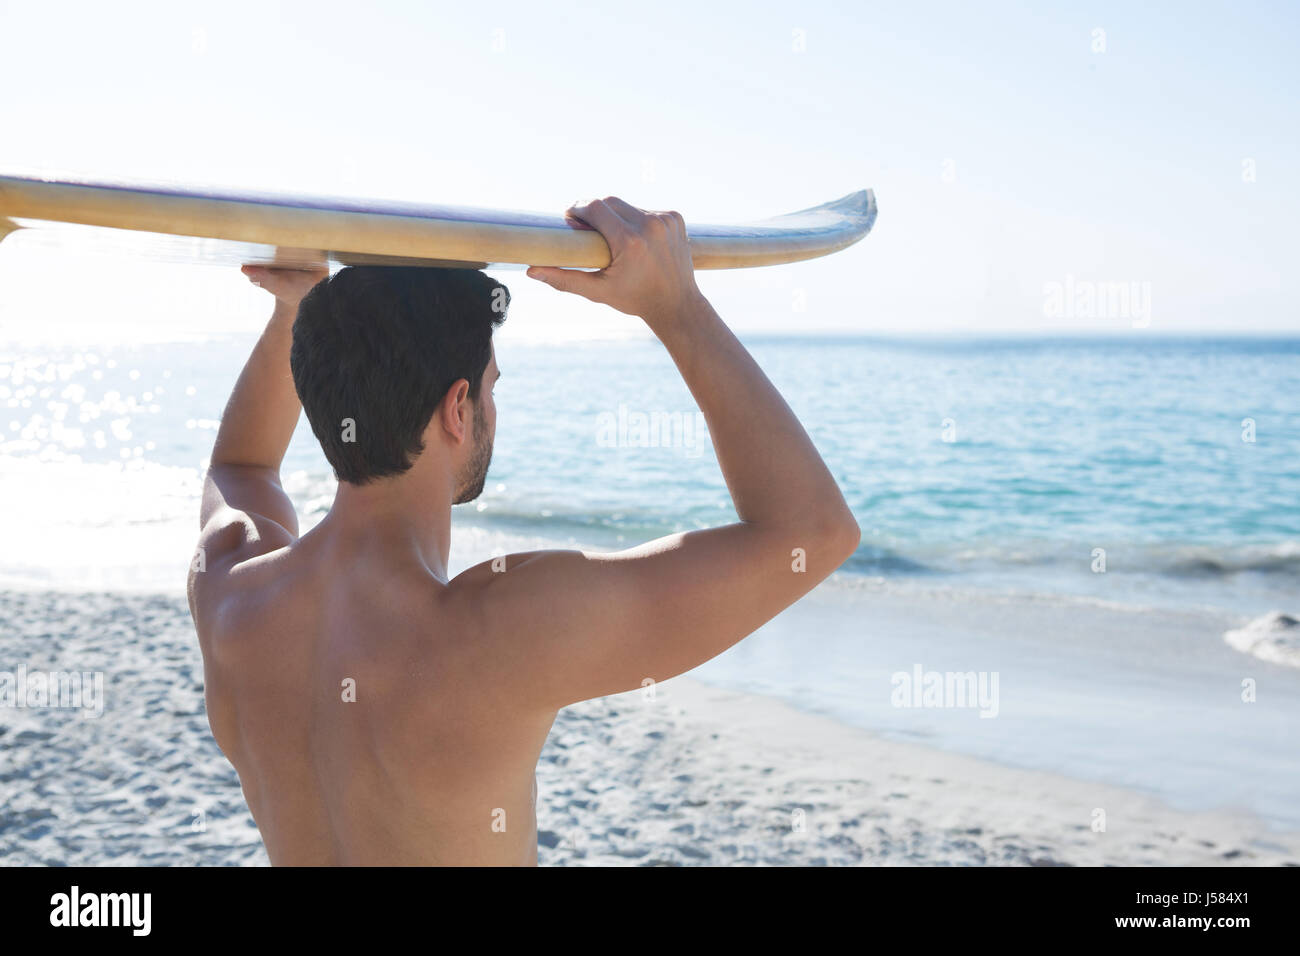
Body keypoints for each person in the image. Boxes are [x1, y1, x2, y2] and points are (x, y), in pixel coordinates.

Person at [187, 197, 860, 865]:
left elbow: (241, 464)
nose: (492, 407)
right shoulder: (497, 634)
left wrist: (293, 317)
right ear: (459, 408)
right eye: (491, 386)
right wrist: (676, 308)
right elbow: (811, 534)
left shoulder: (231, 600)